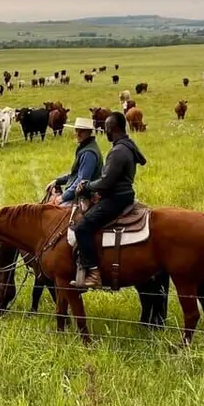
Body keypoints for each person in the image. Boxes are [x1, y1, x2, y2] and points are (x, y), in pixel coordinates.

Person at [71, 111, 147, 288]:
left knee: (82, 228)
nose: (105, 131)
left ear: (113, 128)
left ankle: (94, 272)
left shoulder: (118, 151)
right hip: (123, 195)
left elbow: (106, 182)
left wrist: (87, 186)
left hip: (115, 199)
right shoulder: (127, 146)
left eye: (106, 128)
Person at [44, 117, 101, 206]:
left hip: (86, 196)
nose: (78, 134)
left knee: (57, 215)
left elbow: (82, 181)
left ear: (89, 132)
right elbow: (75, 175)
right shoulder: (86, 148)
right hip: (80, 193)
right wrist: (57, 181)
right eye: (76, 130)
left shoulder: (88, 153)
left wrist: (63, 197)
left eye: (82, 131)